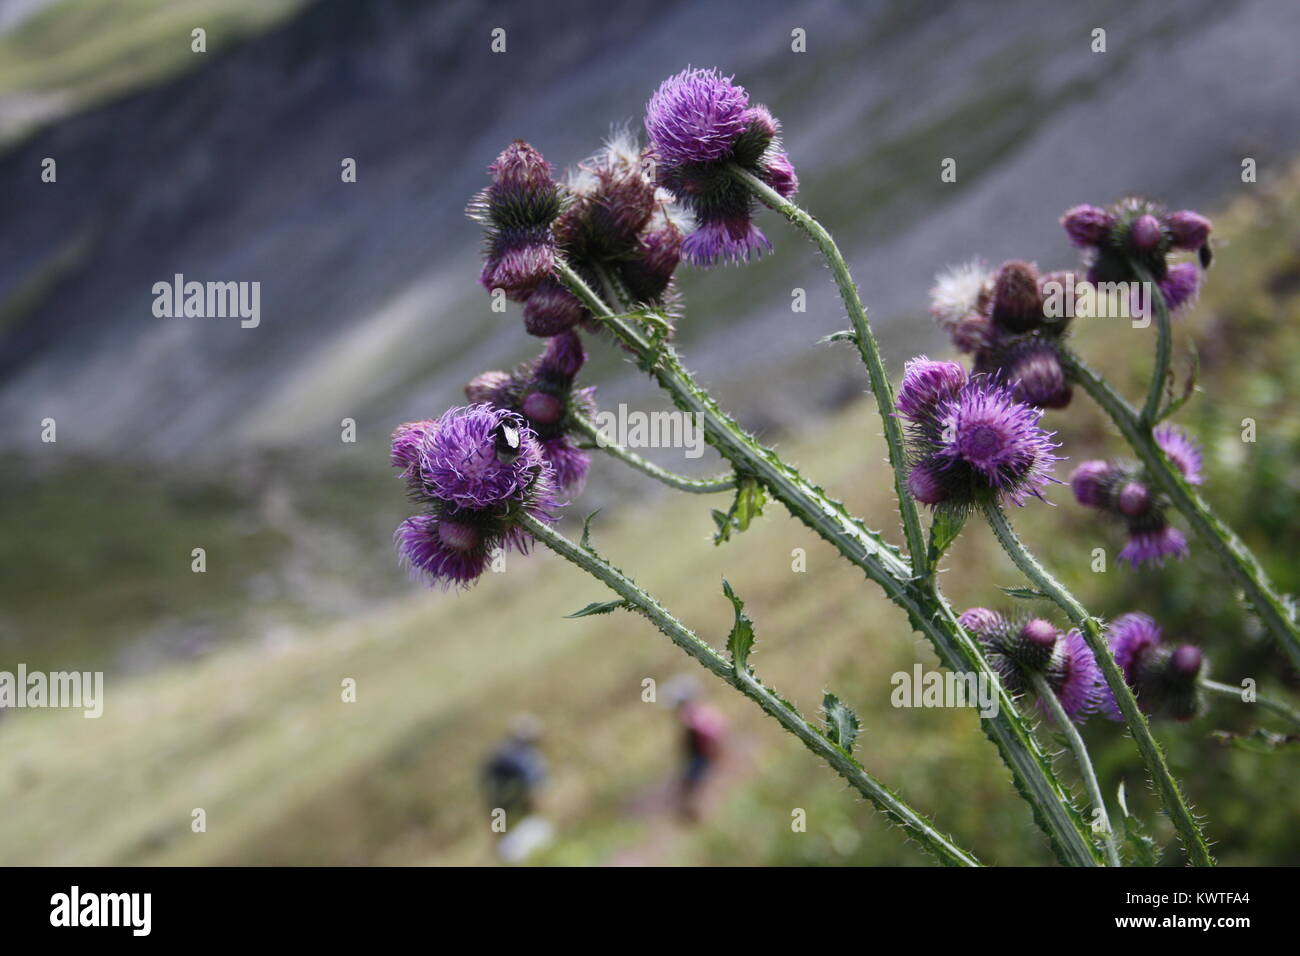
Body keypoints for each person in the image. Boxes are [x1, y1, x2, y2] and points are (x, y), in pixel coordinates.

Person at [482, 714, 551, 861]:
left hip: (502, 807)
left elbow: (492, 797)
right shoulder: (523, 757)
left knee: (504, 840)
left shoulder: (500, 754)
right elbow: (535, 787)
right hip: (511, 808)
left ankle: (504, 854)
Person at [667, 678, 727, 820]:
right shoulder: (702, 713)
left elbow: (710, 736)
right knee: (690, 786)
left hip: (702, 757)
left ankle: (695, 814)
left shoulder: (693, 717)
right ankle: (693, 813)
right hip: (700, 756)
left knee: (691, 786)